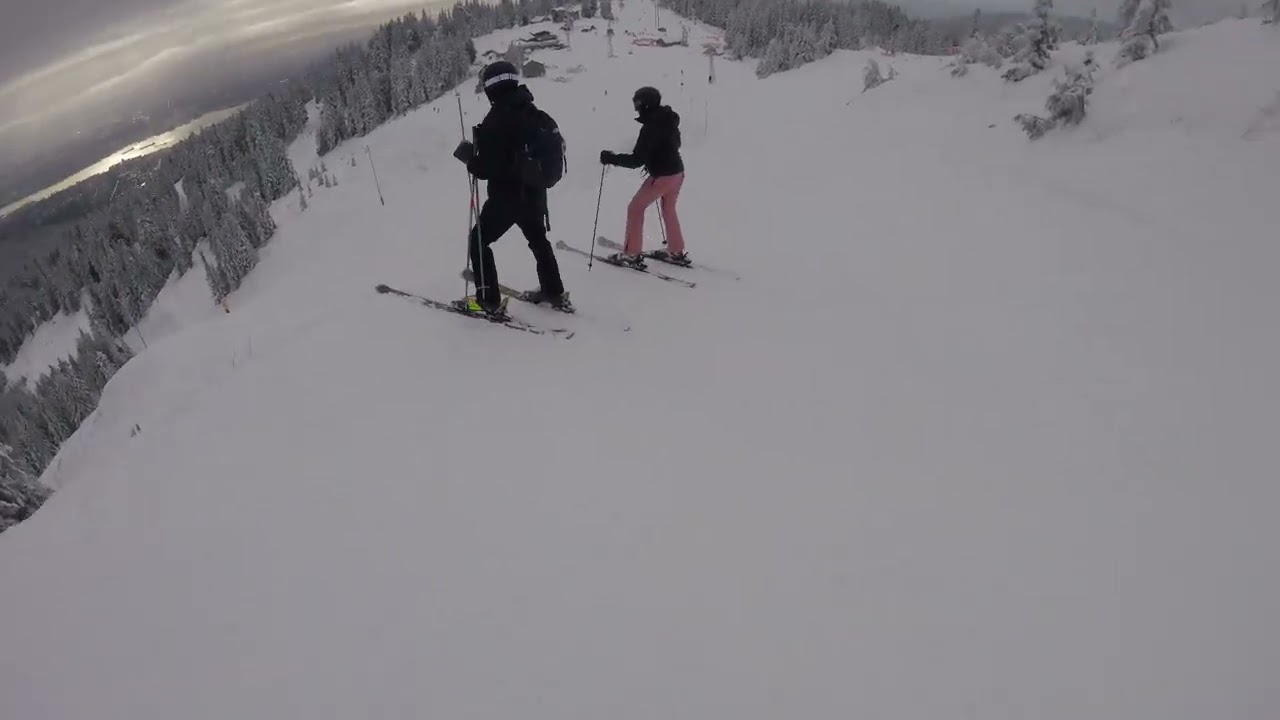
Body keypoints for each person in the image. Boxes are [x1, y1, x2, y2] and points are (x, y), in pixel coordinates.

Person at [453, 61, 569, 314]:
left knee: (479, 241)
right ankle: (553, 290)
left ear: (491, 88)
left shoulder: (497, 119)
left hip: (507, 196)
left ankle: (488, 301)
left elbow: (486, 169)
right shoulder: (534, 113)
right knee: (538, 240)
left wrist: (469, 158)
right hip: (535, 193)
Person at [599, 86, 687, 268]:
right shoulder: (668, 119)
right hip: (677, 173)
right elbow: (675, 144)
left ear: (645, 105)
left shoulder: (651, 127)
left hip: (662, 176)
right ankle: (676, 250)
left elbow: (636, 160)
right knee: (668, 209)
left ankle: (631, 255)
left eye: (637, 104)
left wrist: (611, 158)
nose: (636, 108)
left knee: (635, 208)